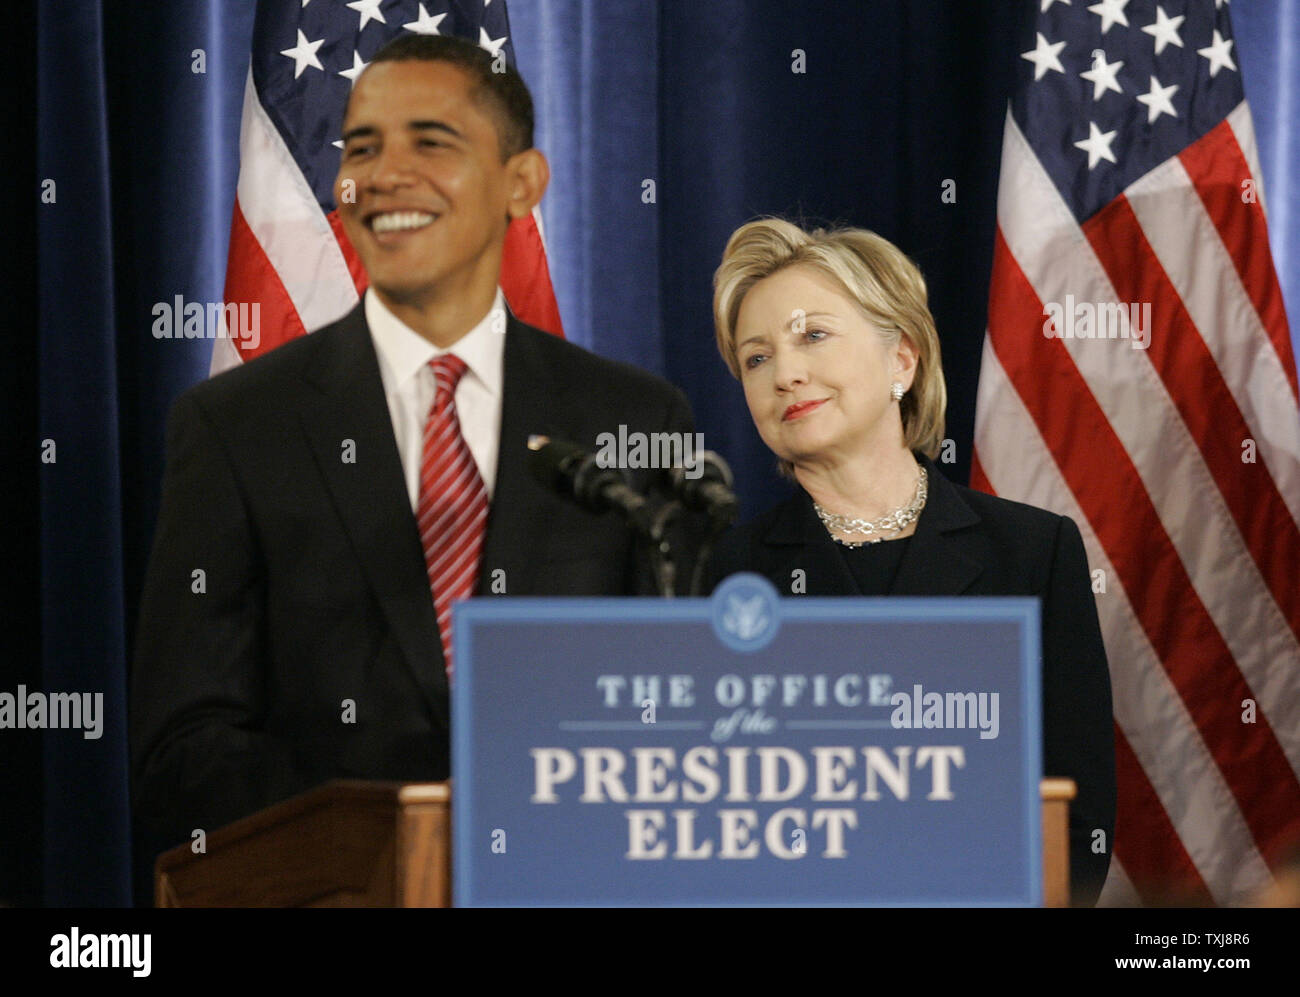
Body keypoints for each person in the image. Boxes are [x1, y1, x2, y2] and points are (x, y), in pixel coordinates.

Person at [130, 35, 696, 855]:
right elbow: (178, 752)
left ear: (522, 183)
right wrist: (406, 831)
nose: (385, 173)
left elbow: (673, 719)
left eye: (430, 141)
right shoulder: (234, 427)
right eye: (363, 146)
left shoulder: (635, 420)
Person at [704, 218, 1115, 906]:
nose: (786, 372)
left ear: (903, 359)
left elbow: (1077, 827)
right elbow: (713, 832)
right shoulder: (726, 573)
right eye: (756, 358)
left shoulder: (1032, 553)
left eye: (811, 334)